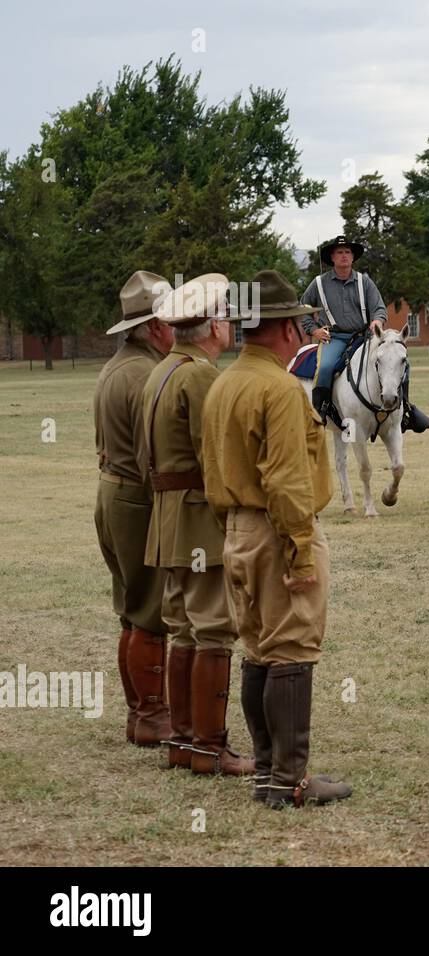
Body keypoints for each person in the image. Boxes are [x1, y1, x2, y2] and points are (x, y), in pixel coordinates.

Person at [202, 270, 352, 809]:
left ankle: (269, 774)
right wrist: (299, 551)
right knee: (290, 648)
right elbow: (287, 480)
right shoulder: (281, 388)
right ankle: (289, 780)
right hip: (275, 530)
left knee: (260, 649)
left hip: (237, 531)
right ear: (287, 327)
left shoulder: (223, 382)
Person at [140, 273, 253, 776]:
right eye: (225, 316)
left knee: (184, 630)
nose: (229, 324)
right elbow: (217, 460)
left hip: (167, 520)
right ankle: (209, 748)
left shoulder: (161, 370)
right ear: (210, 326)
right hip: (197, 519)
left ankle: (184, 744)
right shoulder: (201, 376)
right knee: (214, 630)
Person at [94, 271, 175, 747]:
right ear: (154, 326)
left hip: (112, 493)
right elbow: (155, 457)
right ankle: (150, 716)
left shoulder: (118, 366)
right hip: (135, 498)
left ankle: (141, 713)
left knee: (132, 609)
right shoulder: (144, 374)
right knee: (148, 611)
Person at [300, 235, 429, 433]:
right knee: (325, 367)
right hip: (334, 338)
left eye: (347, 252)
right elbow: (303, 310)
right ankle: (320, 411)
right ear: (332, 258)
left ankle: (406, 409)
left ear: (352, 257)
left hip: (364, 337)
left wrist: (377, 320)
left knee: (403, 362)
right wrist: (314, 330)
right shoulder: (318, 284)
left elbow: (379, 308)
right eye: (340, 253)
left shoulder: (364, 283)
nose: (344, 256)